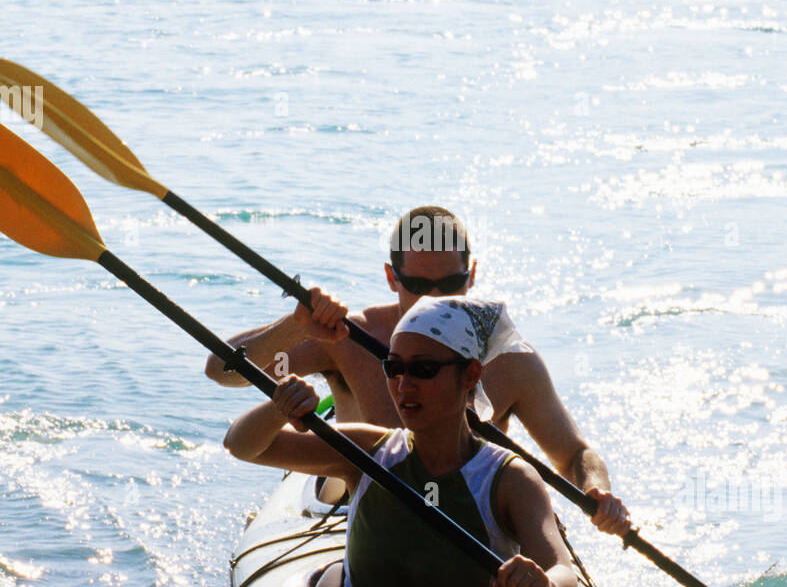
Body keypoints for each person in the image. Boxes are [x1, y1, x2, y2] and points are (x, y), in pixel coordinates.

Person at [207, 204, 631, 538]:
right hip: (360, 511)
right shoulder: (346, 339)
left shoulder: (512, 363)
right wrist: (293, 327)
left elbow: (574, 455)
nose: (434, 300)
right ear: (392, 277)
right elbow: (222, 371)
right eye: (418, 286)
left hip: (472, 520)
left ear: (473, 275)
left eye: (450, 286)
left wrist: (596, 489)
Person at [223, 298, 580, 587]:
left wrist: (544, 585)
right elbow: (241, 445)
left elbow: (565, 577)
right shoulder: (366, 451)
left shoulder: (510, 478)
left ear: (471, 375)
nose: (403, 385)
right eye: (394, 368)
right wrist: (276, 409)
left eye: (423, 370)